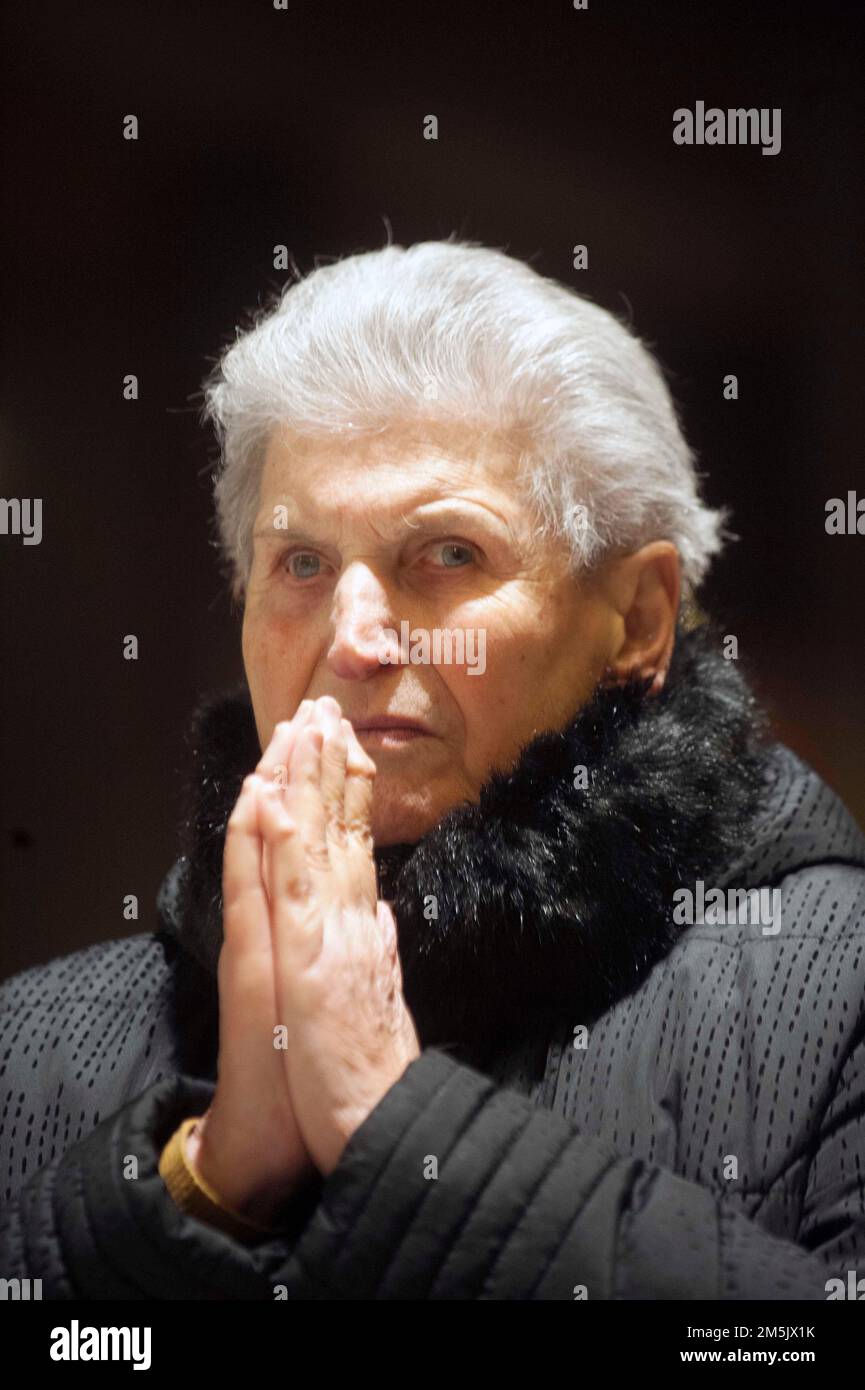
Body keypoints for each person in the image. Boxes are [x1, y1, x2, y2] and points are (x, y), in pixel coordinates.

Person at [2, 240, 863, 1300]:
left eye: (447, 554)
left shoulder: (839, 999)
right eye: (302, 563)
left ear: (637, 619)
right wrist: (207, 1182)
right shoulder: (27, 1049)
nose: (354, 639)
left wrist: (389, 1124)